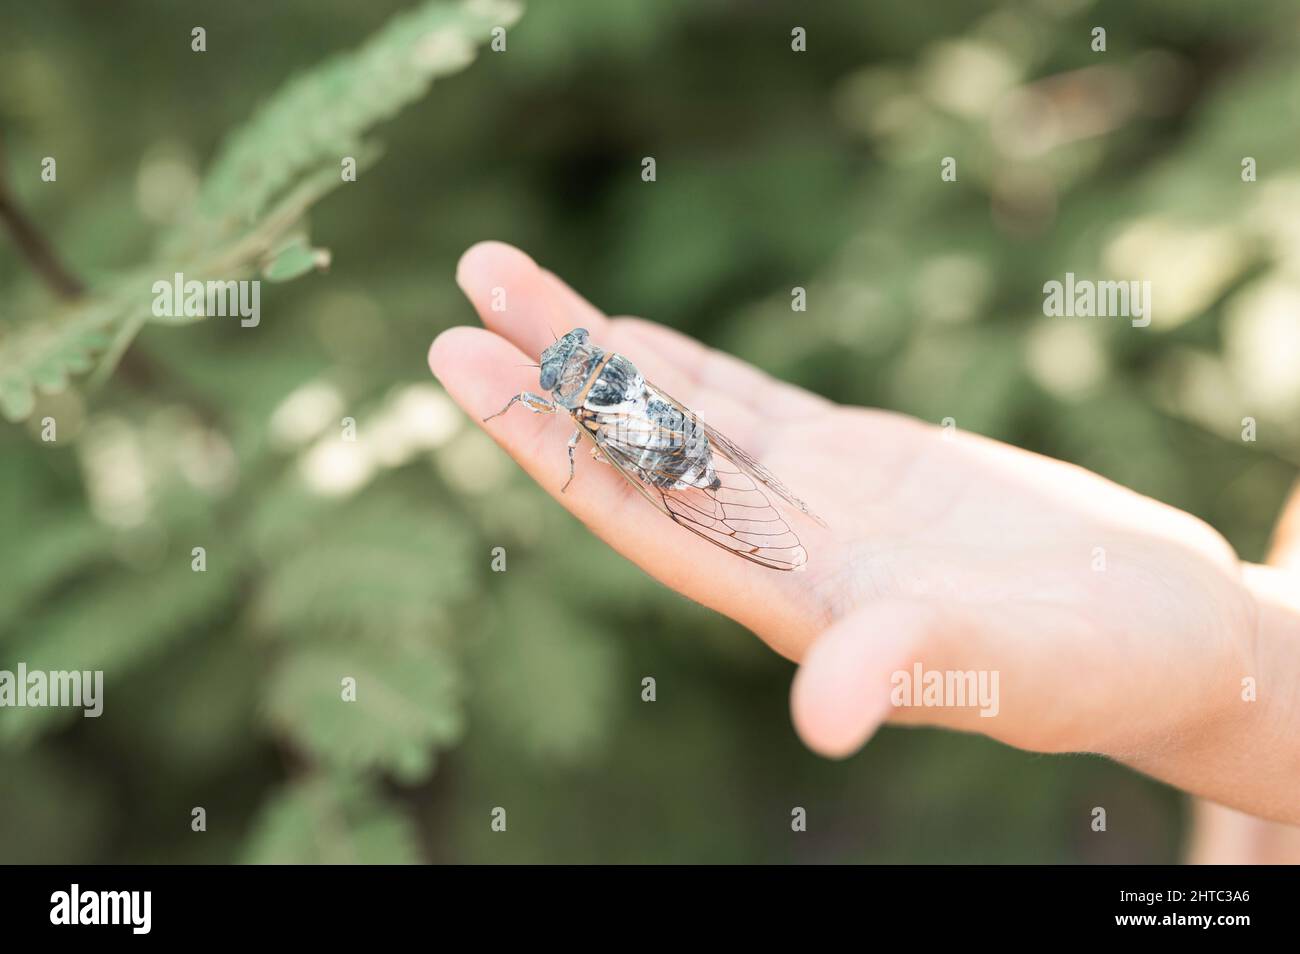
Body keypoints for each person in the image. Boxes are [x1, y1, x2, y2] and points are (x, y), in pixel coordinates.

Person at [429, 241, 1300, 850]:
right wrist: (1247, 671)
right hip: (658, 438)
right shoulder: (589, 393)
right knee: (693, 471)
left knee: (694, 476)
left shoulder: (583, 400)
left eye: (569, 369)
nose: (567, 370)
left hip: (664, 445)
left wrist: (1242, 675)